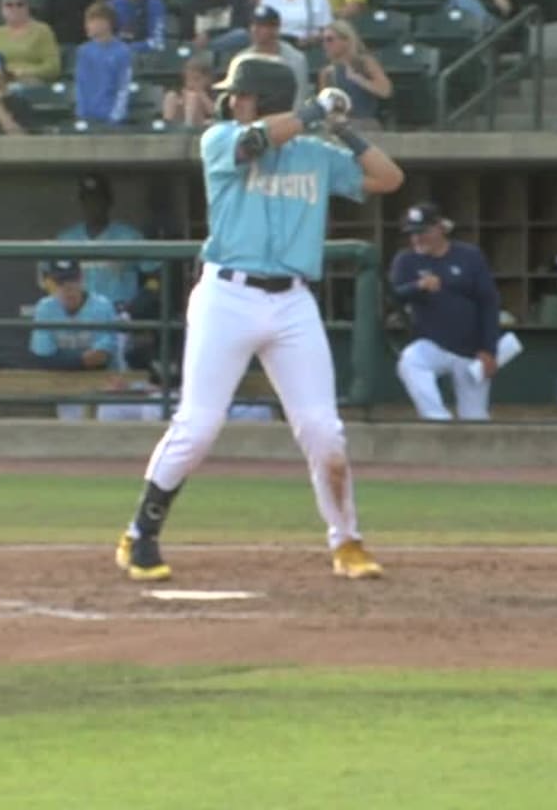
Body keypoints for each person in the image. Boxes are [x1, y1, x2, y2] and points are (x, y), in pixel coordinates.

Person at [115, 55, 404, 583]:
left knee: (324, 432)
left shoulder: (315, 154)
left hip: (292, 301)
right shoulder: (220, 139)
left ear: (263, 97)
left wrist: (344, 130)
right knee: (198, 426)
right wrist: (316, 110)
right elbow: (253, 144)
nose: (231, 100)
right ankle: (141, 534)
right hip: (227, 295)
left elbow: (388, 178)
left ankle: (347, 542)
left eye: (241, 93)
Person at [389, 202, 501, 421]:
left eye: (422, 232)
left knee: (475, 418)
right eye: (412, 233)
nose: (417, 239)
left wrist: (489, 350)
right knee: (411, 360)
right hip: (433, 345)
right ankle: (438, 419)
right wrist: (417, 286)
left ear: (440, 227)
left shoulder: (469, 256)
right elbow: (392, 296)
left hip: (471, 350)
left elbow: (488, 303)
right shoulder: (407, 260)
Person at [29, 259, 122, 419]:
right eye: (60, 282)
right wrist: (81, 359)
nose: (67, 288)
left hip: (105, 382)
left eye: (72, 281)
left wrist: (64, 359)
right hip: (65, 383)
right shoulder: (45, 308)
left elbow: (101, 358)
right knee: (70, 427)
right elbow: (43, 357)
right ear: (51, 283)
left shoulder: (102, 306)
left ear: (81, 280)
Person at [53, 173, 157, 307]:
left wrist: (135, 306)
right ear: (81, 203)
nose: (93, 205)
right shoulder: (67, 239)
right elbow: (51, 278)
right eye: (88, 200)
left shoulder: (130, 237)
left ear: (109, 201)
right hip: (79, 317)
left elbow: (156, 276)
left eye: (98, 199)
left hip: (119, 315)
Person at [317, 20, 388, 131]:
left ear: (346, 41)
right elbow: (326, 106)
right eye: (323, 40)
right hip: (340, 123)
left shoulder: (365, 63)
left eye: (330, 40)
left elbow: (385, 91)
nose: (325, 45)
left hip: (365, 121)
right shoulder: (327, 72)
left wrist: (358, 79)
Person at [230, 5, 309, 105]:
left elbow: (299, 100)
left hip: (285, 116)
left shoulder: (296, 59)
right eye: (253, 24)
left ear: (275, 29)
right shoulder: (241, 60)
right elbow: (236, 100)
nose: (255, 29)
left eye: (261, 25)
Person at [0, 0, 59, 84]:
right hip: (1, 82)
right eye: (9, 5)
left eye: (20, 4)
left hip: (31, 82)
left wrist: (25, 72)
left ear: (28, 6)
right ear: (1, 8)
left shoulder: (43, 31)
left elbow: (53, 67)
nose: (15, 9)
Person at [74, 1, 133, 123]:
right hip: (87, 117)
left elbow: (123, 86)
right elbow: (80, 85)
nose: (87, 26)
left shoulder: (123, 52)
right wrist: (81, 114)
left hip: (112, 117)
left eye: (90, 22)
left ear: (105, 23)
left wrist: (115, 116)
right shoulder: (83, 51)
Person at [162, 54, 216, 127]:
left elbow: (214, 112)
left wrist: (201, 93)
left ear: (208, 79)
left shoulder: (212, 93)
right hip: (180, 122)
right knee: (171, 96)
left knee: (192, 97)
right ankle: (168, 125)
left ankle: (189, 125)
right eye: (188, 79)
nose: (192, 83)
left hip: (202, 123)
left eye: (196, 79)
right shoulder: (181, 92)